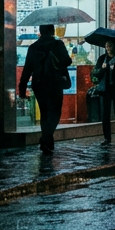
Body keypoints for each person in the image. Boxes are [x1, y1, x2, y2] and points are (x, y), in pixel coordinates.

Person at [17, 24, 72, 155]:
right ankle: (46, 139)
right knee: (55, 112)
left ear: (40, 32)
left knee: (45, 112)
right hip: (55, 83)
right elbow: (68, 61)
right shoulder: (58, 44)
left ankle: (47, 141)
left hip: (39, 84)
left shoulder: (33, 47)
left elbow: (27, 69)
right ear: (53, 31)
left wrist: (22, 88)